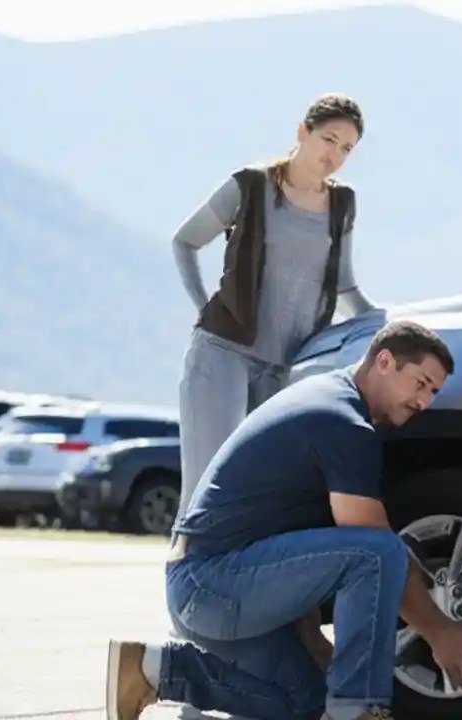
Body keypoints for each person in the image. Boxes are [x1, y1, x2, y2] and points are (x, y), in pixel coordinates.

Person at [104, 320, 462, 720]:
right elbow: (369, 548)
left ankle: (154, 670)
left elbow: (297, 543)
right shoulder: (343, 422)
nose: (424, 402)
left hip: (210, 590)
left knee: (307, 703)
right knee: (379, 552)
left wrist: (314, 645)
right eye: (421, 383)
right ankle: (357, 711)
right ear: (384, 361)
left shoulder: (329, 400)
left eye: (433, 392)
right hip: (214, 584)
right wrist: (438, 631)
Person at [172, 92, 378, 527]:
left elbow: (344, 285)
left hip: (283, 369)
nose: (336, 155)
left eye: (347, 148)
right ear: (302, 133)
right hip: (222, 353)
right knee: (206, 487)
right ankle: (183, 587)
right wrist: (204, 306)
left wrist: (380, 326)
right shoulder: (250, 187)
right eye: (329, 139)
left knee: (257, 490)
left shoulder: (342, 205)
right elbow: (185, 241)